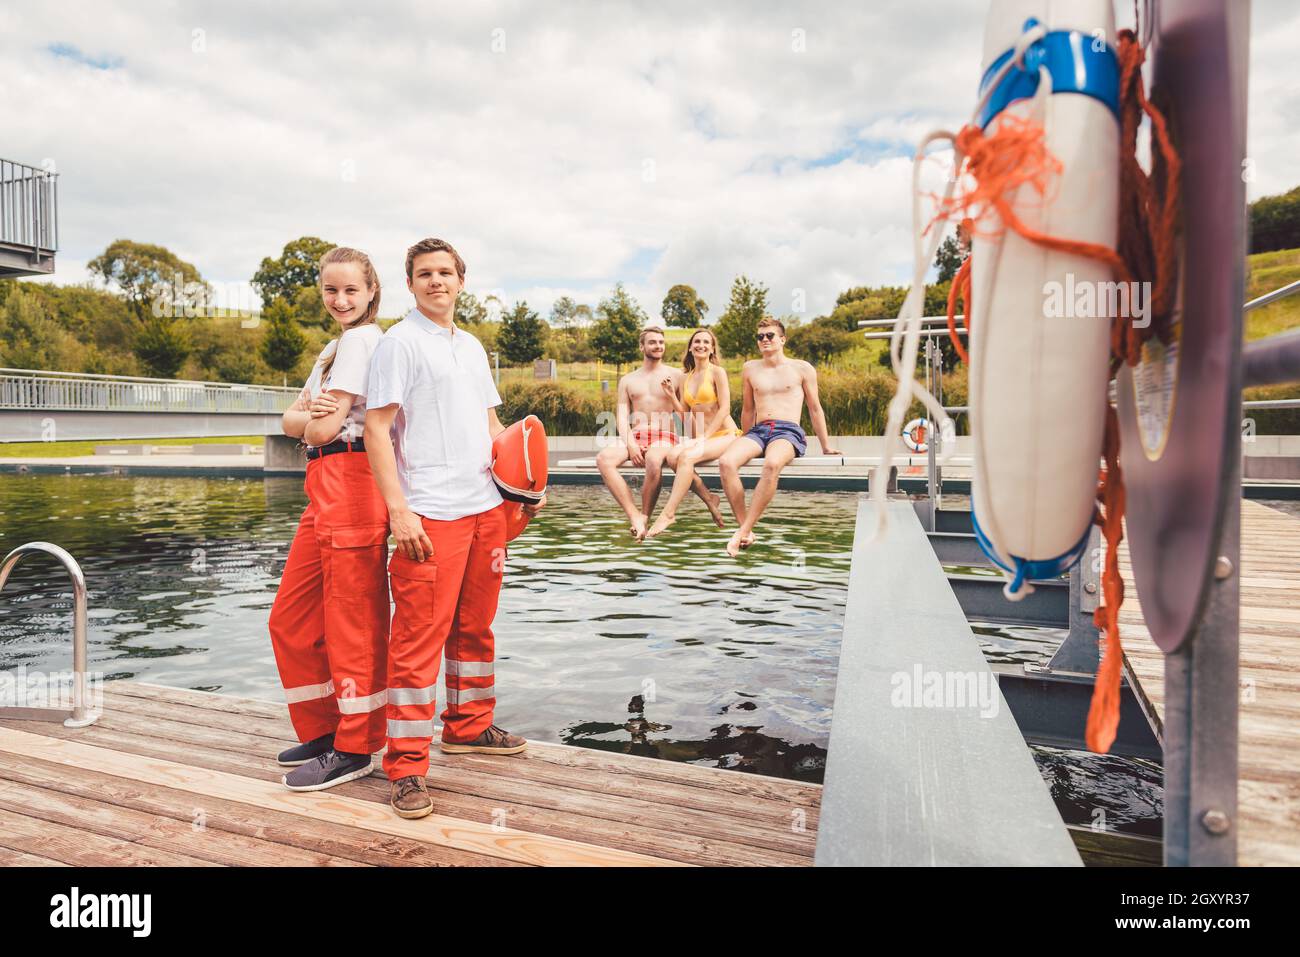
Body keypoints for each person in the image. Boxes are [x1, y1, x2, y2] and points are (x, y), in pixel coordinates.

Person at [364, 237, 545, 820]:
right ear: (411, 284)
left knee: (475, 628)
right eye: (424, 274)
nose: (436, 281)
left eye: (445, 272)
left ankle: (469, 725)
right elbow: (376, 429)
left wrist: (524, 488)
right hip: (430, 514)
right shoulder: (399, 343)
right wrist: (398, 509)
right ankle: (408, 767)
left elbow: (494, 427)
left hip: (485, 508)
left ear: (461, 281)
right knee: (416, 643)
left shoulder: (471, 347)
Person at [269, 246, 390, 791]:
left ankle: (357, 745)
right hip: (322, 484)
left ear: (371, 292)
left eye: (350, 290)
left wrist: (305, 420)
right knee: (291, 618)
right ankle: (325, 729)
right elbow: (293, 416)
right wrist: (305, 419)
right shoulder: (332, 348)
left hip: (353, 480)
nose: (340, 299)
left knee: (352, 622)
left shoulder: (364, 341)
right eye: (330, 290)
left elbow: (316, 428)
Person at [717, 316, 841, 557]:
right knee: (726, 462)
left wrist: (826, 445)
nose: (764, 340)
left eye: (770, 336)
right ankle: (745, 529)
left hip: (787, 431)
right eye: (760, 337)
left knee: (772, 464)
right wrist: (743, 436)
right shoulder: (749, 368)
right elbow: (748, 409)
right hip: (759, 431)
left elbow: (815, 409)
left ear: (782, 339)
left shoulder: (802, 368)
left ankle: (742, 530)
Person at [596, 326, 723, 540]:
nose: (658, 346)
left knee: (654, 459)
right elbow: (621, 416)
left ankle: (646, 515)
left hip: (665, 436)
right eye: (653, 342)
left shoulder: (677, 376)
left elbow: (688, 410)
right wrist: (631, 445)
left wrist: (698, 441)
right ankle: (634, 516)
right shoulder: (628, 380)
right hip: (636, 435)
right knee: (603, 459)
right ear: (642, 346)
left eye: (661, 342)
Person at [645, 328, 740, 538]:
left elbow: (725, 409)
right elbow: (686, 415)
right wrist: (671, 396)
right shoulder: (685, 377)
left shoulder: (717, 372)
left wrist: (703, 438)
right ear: (690, 346)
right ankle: (709, 499)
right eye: (697, 341)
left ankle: (668, 513)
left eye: (707, 342)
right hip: (702, 439)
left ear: (712, 348)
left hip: (725, 434)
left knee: (686, 457)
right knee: (672, 457)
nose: (701, 345)